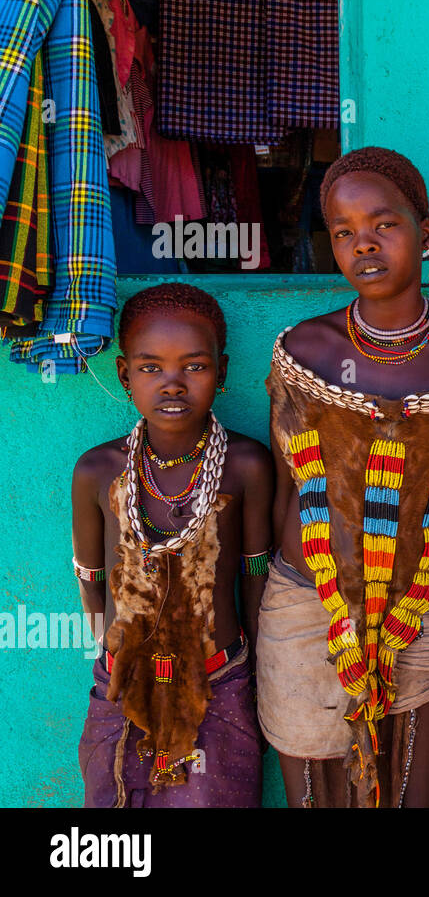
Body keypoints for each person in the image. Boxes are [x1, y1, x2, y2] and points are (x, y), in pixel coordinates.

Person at [257, 146, 429, 807]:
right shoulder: (305, 351)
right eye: (343, 232)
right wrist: (278, 605)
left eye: (383, 225)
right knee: (322, 794)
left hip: (414, 608)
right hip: (309, 607)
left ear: (424, 238)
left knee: (409, 795)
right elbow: (289, 492)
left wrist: (425, 594)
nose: (363, 243)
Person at [74, 283, 274, 807]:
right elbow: (91, 582)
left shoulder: (246, 465)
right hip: (124, 680)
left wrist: (253, 670)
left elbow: (255, 578)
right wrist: (114, 655)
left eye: (194, 366)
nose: (173, 384)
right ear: (123, 375)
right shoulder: (97, 471)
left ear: (222, 372)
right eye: (149, 368)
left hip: (219, 679)